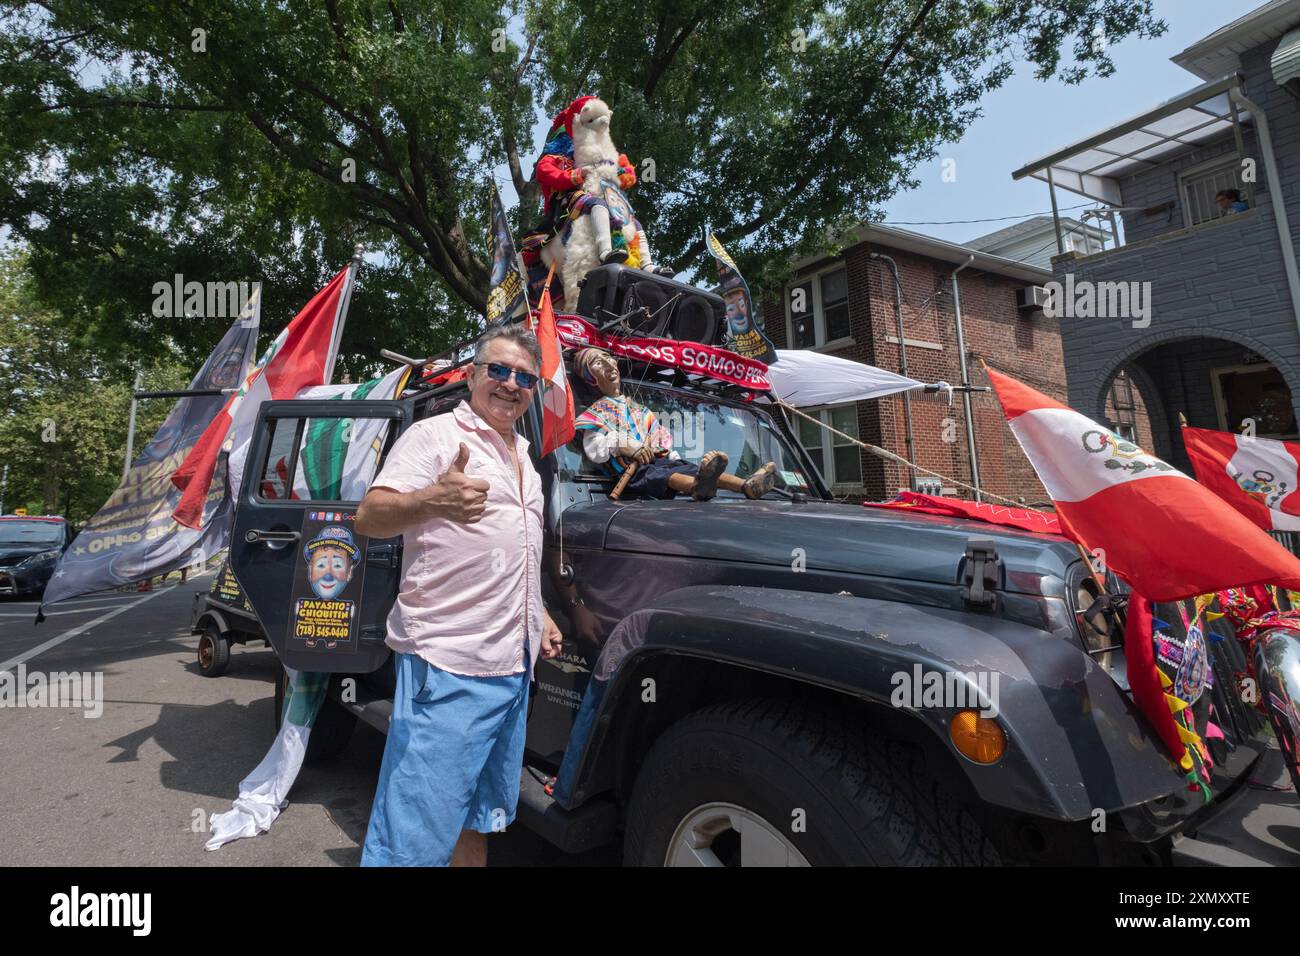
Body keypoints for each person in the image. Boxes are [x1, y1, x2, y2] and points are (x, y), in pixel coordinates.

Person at [355, 324, 563, 867]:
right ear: (473, 376)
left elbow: (519, 549)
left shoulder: (526, 457)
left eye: (523, 376)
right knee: (414, 831)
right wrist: (431, 502)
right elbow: (369, 518)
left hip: (512, 667)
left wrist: (537, 614)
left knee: (479, 812)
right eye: (497, 369)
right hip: (448, 665)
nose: (510, 383)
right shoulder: (434, 438)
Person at [573, 347, 776, 501]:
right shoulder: (595, 413)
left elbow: (659, 437)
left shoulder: (639, 410)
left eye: (607, 357)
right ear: (590, 377)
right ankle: (696, 487)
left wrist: (670, 455)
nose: (608, 364)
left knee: (683, 466)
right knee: (661, 474)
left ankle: (745, 485)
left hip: (655, 460)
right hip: (632, 473)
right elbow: (594, 448)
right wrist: (621, 442)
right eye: (597, 363)